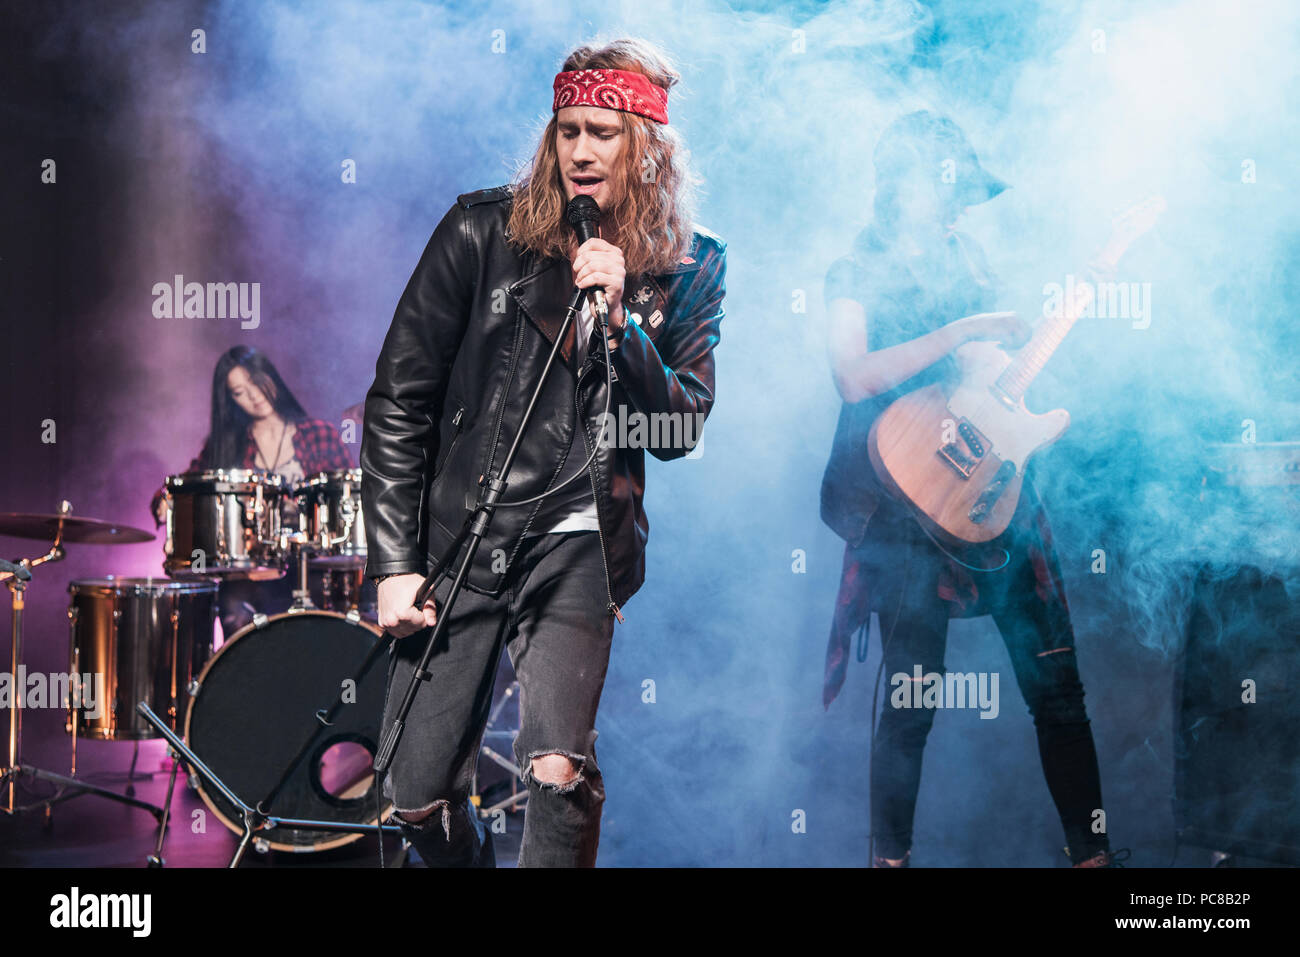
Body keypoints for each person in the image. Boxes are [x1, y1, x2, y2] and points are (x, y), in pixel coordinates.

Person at [360, 37, 725, 867]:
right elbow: (398, 399)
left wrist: (624, 322)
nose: (582, 150)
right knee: (414, 795)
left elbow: (681, 430)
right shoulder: (480, 232)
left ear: (648, 148)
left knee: (556, 770)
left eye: (604, 131)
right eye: (568, 130)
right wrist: (392, 564)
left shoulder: (693, 266)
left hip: (581, 545)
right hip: (465, 539)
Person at [819, 111, 1124, 868]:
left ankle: (1094, 859)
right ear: (902, 185)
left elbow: (991, 371)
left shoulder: (973, 259)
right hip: (906, 501)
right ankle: (888, 863)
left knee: (1059, 688)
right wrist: (960, 330)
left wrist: (1062, 314)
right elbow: (852, 373)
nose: (957, 202)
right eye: (944, 183)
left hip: (994, 485)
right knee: (911, 701)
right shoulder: (854, 270)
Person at [151, 345, 353, 636]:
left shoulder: (318, 433)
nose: (254, 396)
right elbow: (185, 483)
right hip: (250, 572)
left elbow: (345, 496)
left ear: (271, 377)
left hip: (310, 569)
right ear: (230, 400)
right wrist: (165, 501)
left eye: (256, 383)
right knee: (234, 606)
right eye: (239, 392)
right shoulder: (228, 444)